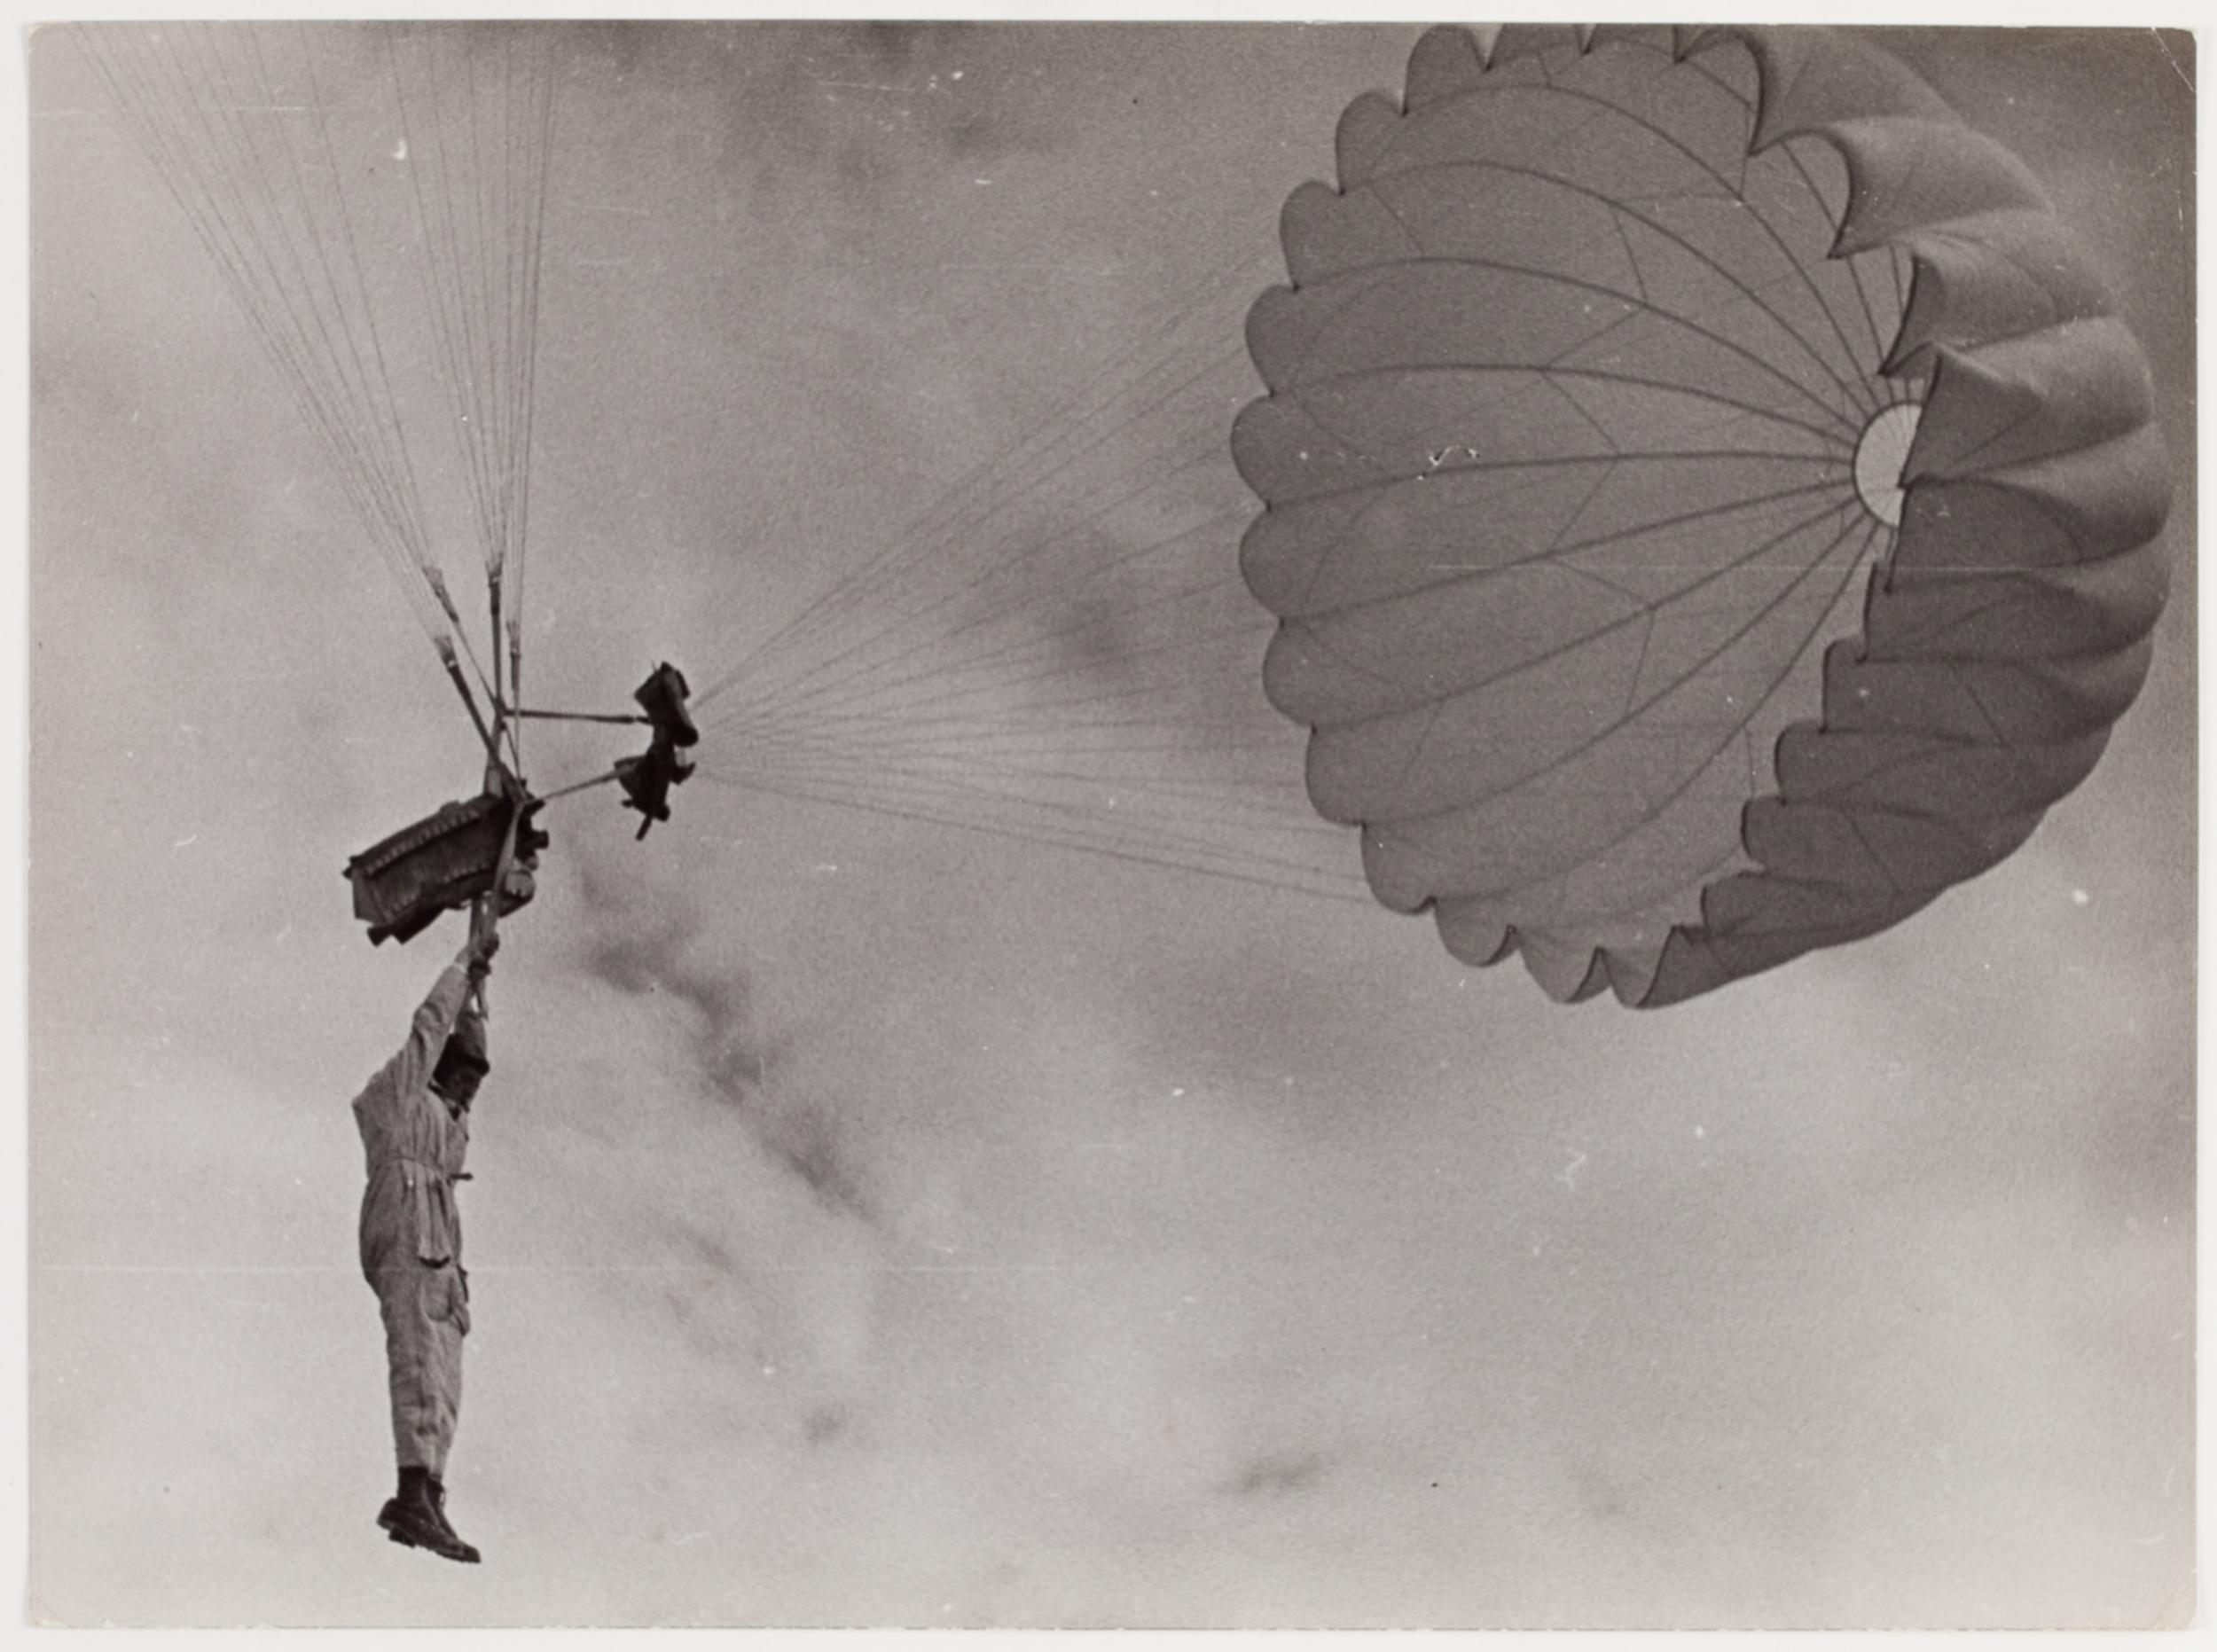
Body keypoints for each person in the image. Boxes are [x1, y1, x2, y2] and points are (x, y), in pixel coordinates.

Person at [352, 922, 499, 1562]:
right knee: (416, 1349)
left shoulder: (447, 1130)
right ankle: (412, 1487)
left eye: (477, 1078)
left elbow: (459, 1108)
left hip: (439, 1239)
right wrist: (462, 967)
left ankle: (429, 1491)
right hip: (407, 1221)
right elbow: (428, 1027)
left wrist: (480, 988)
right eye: (461, 1073)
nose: (469, 1087)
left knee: (443, 1367)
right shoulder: (396, 1102)